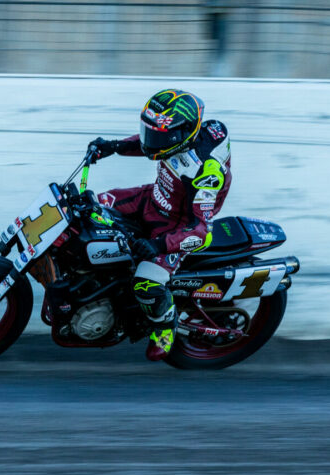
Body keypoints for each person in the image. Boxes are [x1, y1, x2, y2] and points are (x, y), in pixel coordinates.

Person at [89, 89, 232, 361]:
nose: (150, 142)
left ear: (183, 135)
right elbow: (150, 144)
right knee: (93, 208)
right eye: (149, 132)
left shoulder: (205, 172)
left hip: (178, 225)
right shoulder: (179, 137)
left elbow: (201, 231)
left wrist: (156, 245)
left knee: (145, 283)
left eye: (158, 136)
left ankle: (165, 327)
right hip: (155, 196)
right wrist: (113, 147)